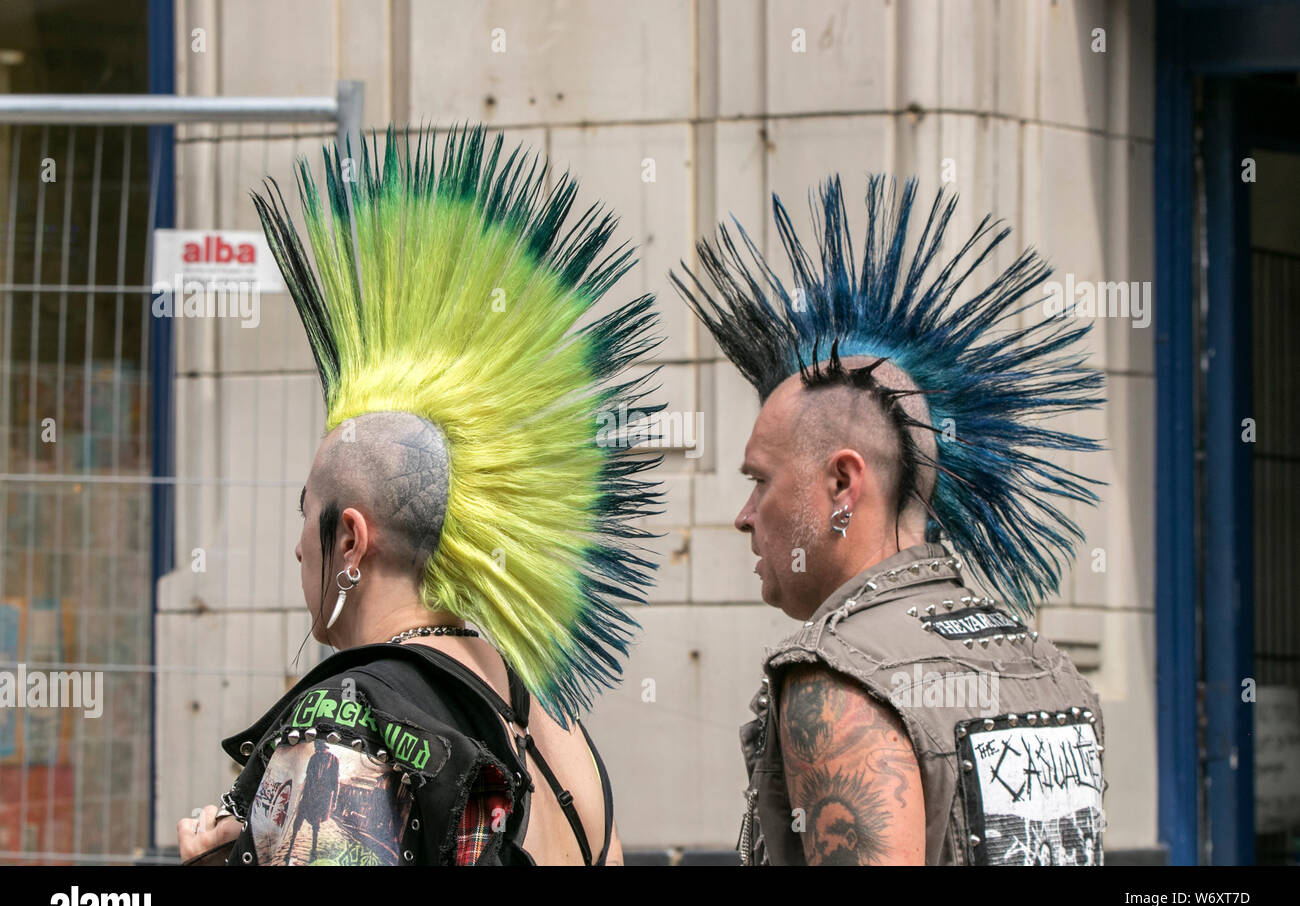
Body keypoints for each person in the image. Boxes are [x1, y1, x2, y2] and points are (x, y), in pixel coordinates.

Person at [177, 125, 661, 866]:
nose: (295, 546)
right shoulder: (548, 723)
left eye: (306, 515)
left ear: (351, 540)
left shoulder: (346, 720)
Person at [672, 175, 1108, 865]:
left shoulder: (842, 681)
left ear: (843, 483)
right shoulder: (1045, 668)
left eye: (761, 481)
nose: (744, 516)